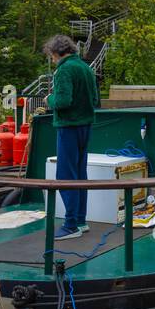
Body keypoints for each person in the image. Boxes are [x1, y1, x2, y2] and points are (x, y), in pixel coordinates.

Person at [43, 34, 99, 240]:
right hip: (86, 126)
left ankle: (70, 224)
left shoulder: (64, 69)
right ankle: (81, 220)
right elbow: (94, 99)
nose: (52, 59)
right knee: (80, 174)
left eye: (51, 55)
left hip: (68, 128)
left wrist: (49, 99)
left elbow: (63, 101)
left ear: (56, 52)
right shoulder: (86, 68)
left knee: (66, 176)